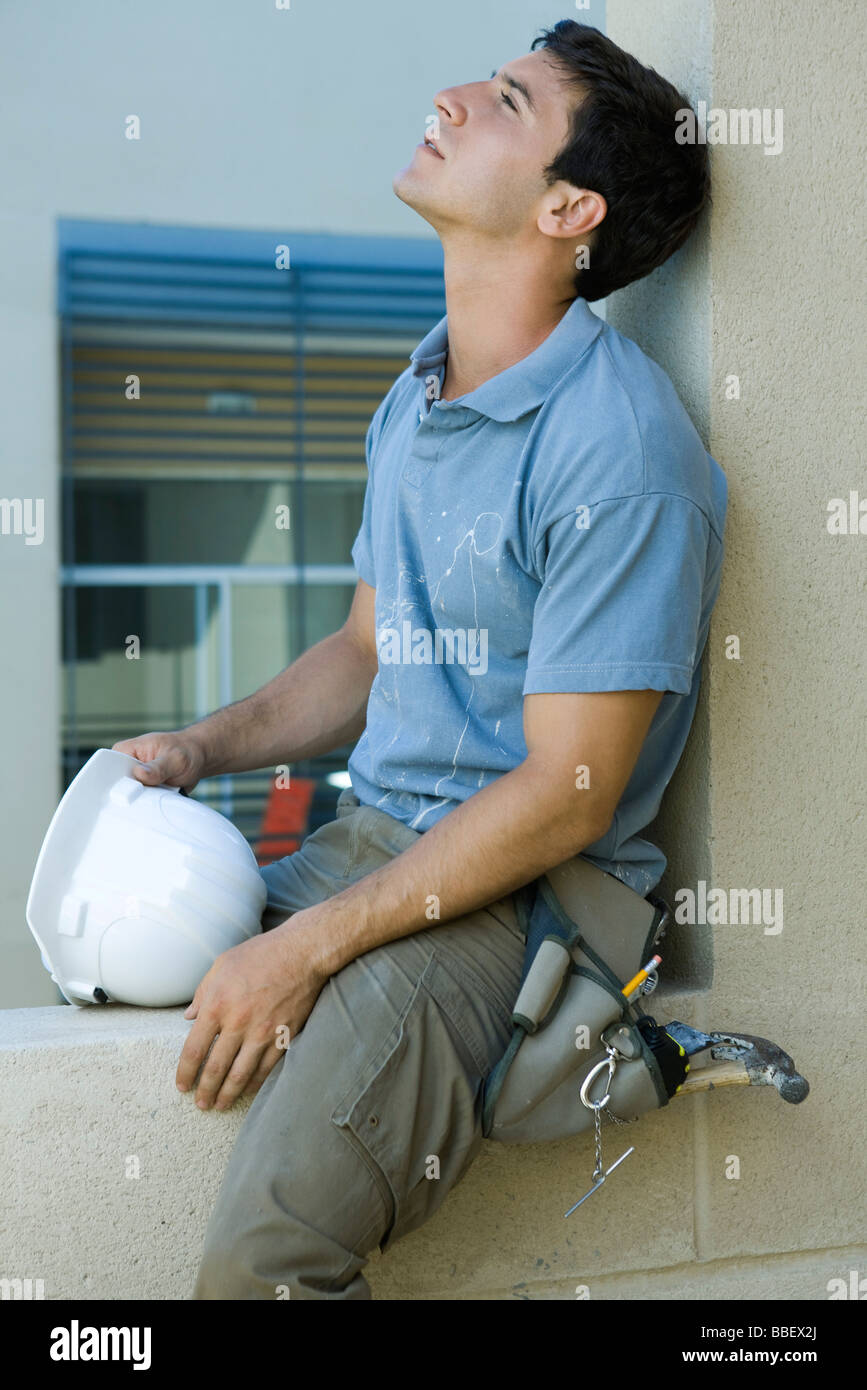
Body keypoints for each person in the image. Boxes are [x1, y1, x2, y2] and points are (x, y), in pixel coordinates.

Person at [114, 19, 727, 1299]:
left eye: (505, 98)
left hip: (529, 901)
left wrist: (312, 945)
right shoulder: (422, 391)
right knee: (129, 962)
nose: (450, 98)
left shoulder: (620, 450)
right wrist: (195, 750)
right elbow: (367, 647)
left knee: (264, 1260)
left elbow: (570, 793)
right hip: (382, 842)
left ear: (570, 207)